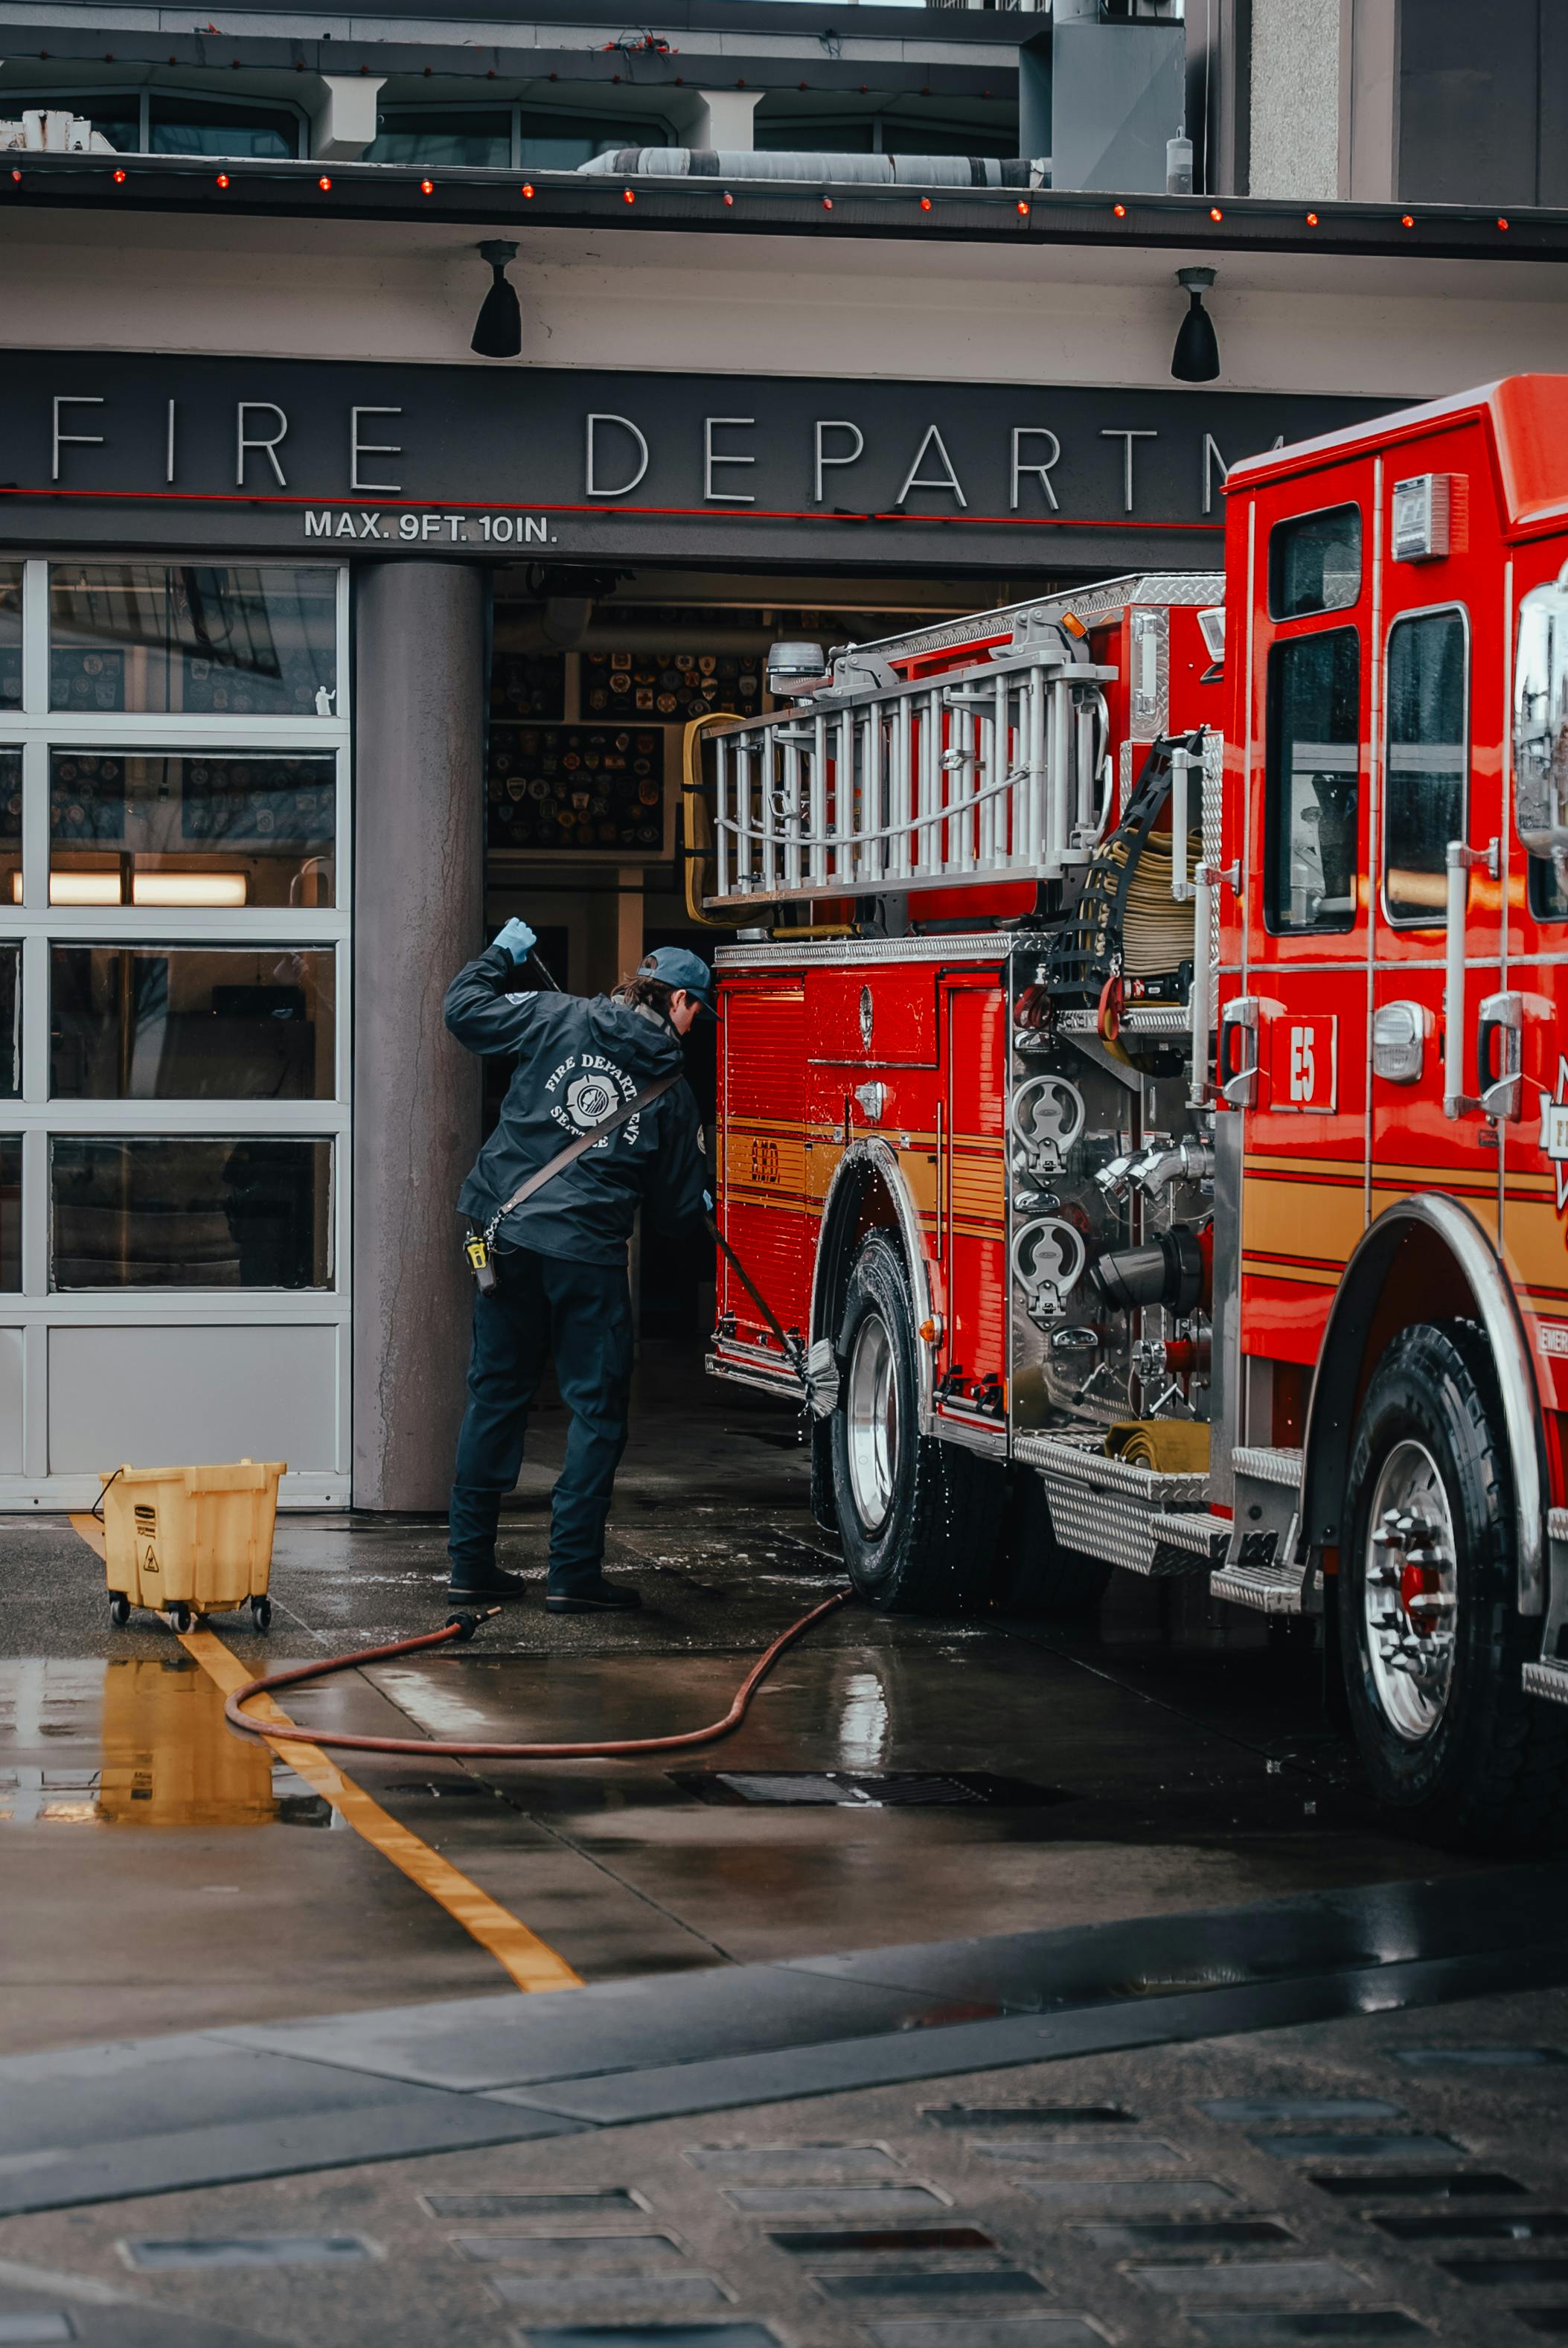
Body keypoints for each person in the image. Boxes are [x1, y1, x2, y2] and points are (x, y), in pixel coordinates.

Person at [442, 924, 713, 1612]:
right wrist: (698, 1182)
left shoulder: (552, 1012)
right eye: (696, 1012)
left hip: (503, 1237)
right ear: (679, 999)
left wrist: (500, 953)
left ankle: (470, 1565)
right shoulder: (673, 1092)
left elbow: (463, 1009)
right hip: (587, 1258)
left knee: (497, 1393)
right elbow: (679, 1213)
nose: (695, 1025)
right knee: (595, 1410)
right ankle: (571, 1573)